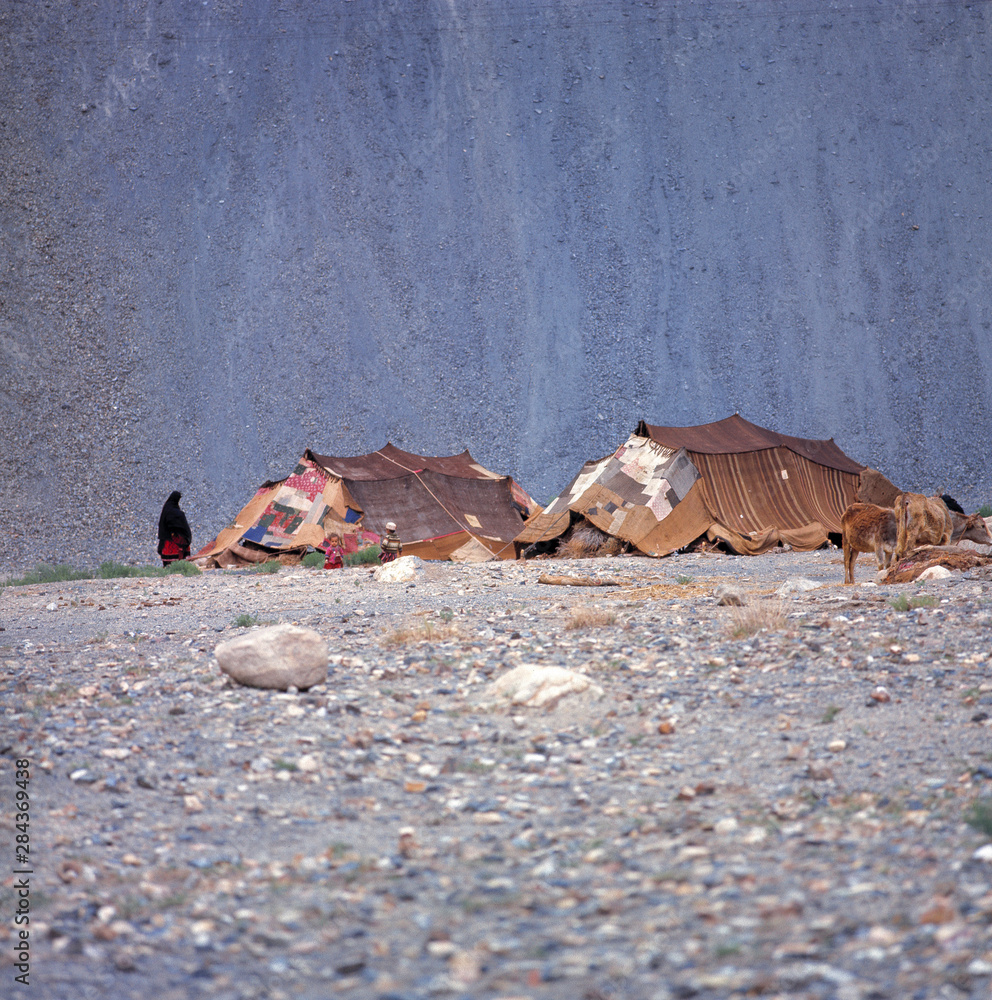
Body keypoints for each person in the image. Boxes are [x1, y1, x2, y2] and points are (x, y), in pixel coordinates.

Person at [157, 491, 192, 566]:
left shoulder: (167, 508)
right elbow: (173, 521)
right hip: (173, 537)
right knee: (178, 551)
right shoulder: (173, 511)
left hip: (166, 537)